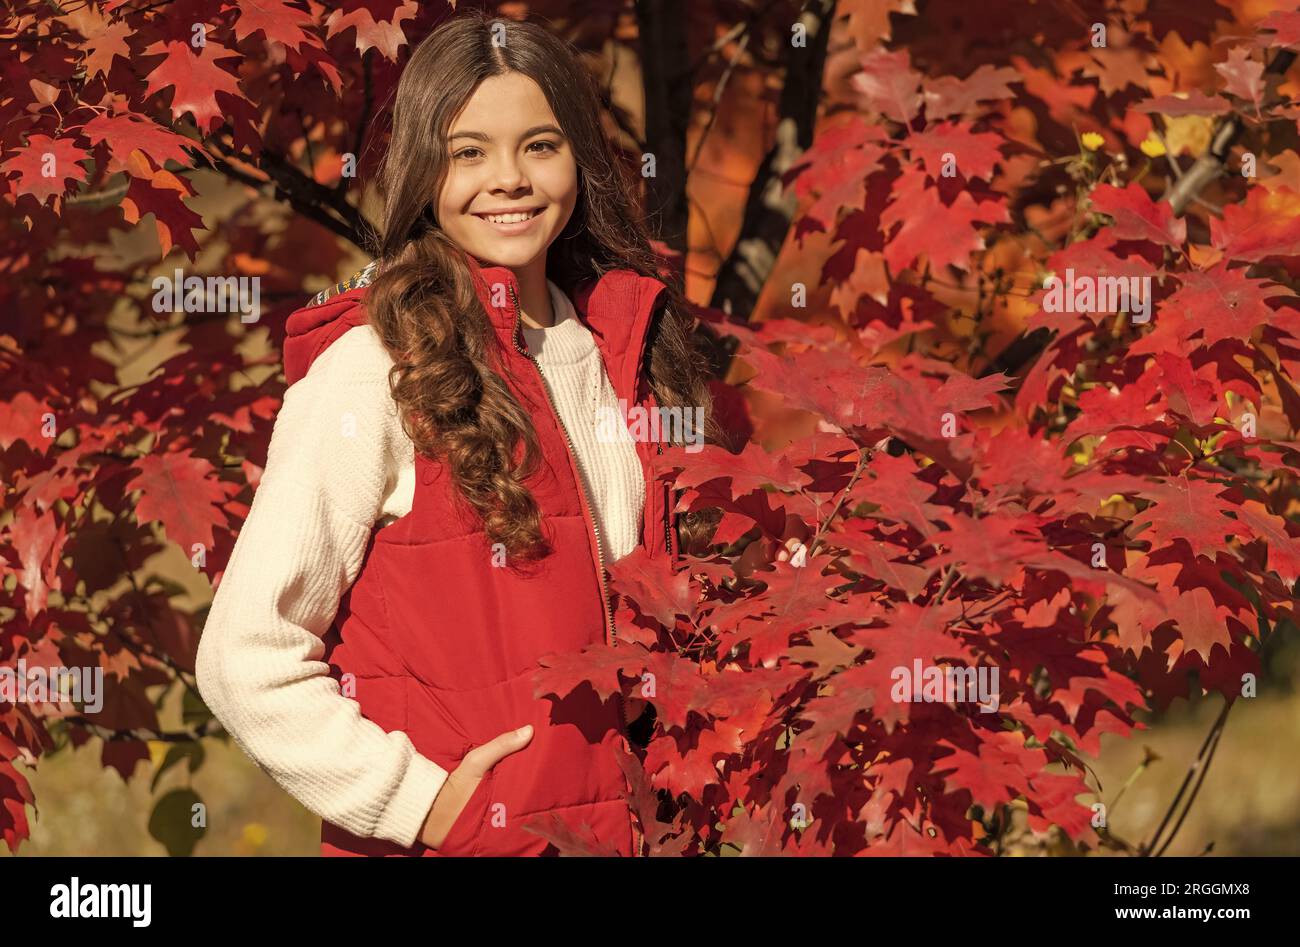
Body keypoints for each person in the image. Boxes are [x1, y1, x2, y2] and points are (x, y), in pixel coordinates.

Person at [194, 10, 716, 857]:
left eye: (539, 145)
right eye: (468, 150)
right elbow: (242, 654)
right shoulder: (376, 370)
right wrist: (426, 806)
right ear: (423, 170)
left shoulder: (629, 351)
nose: (506, 178)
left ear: (579, 158)